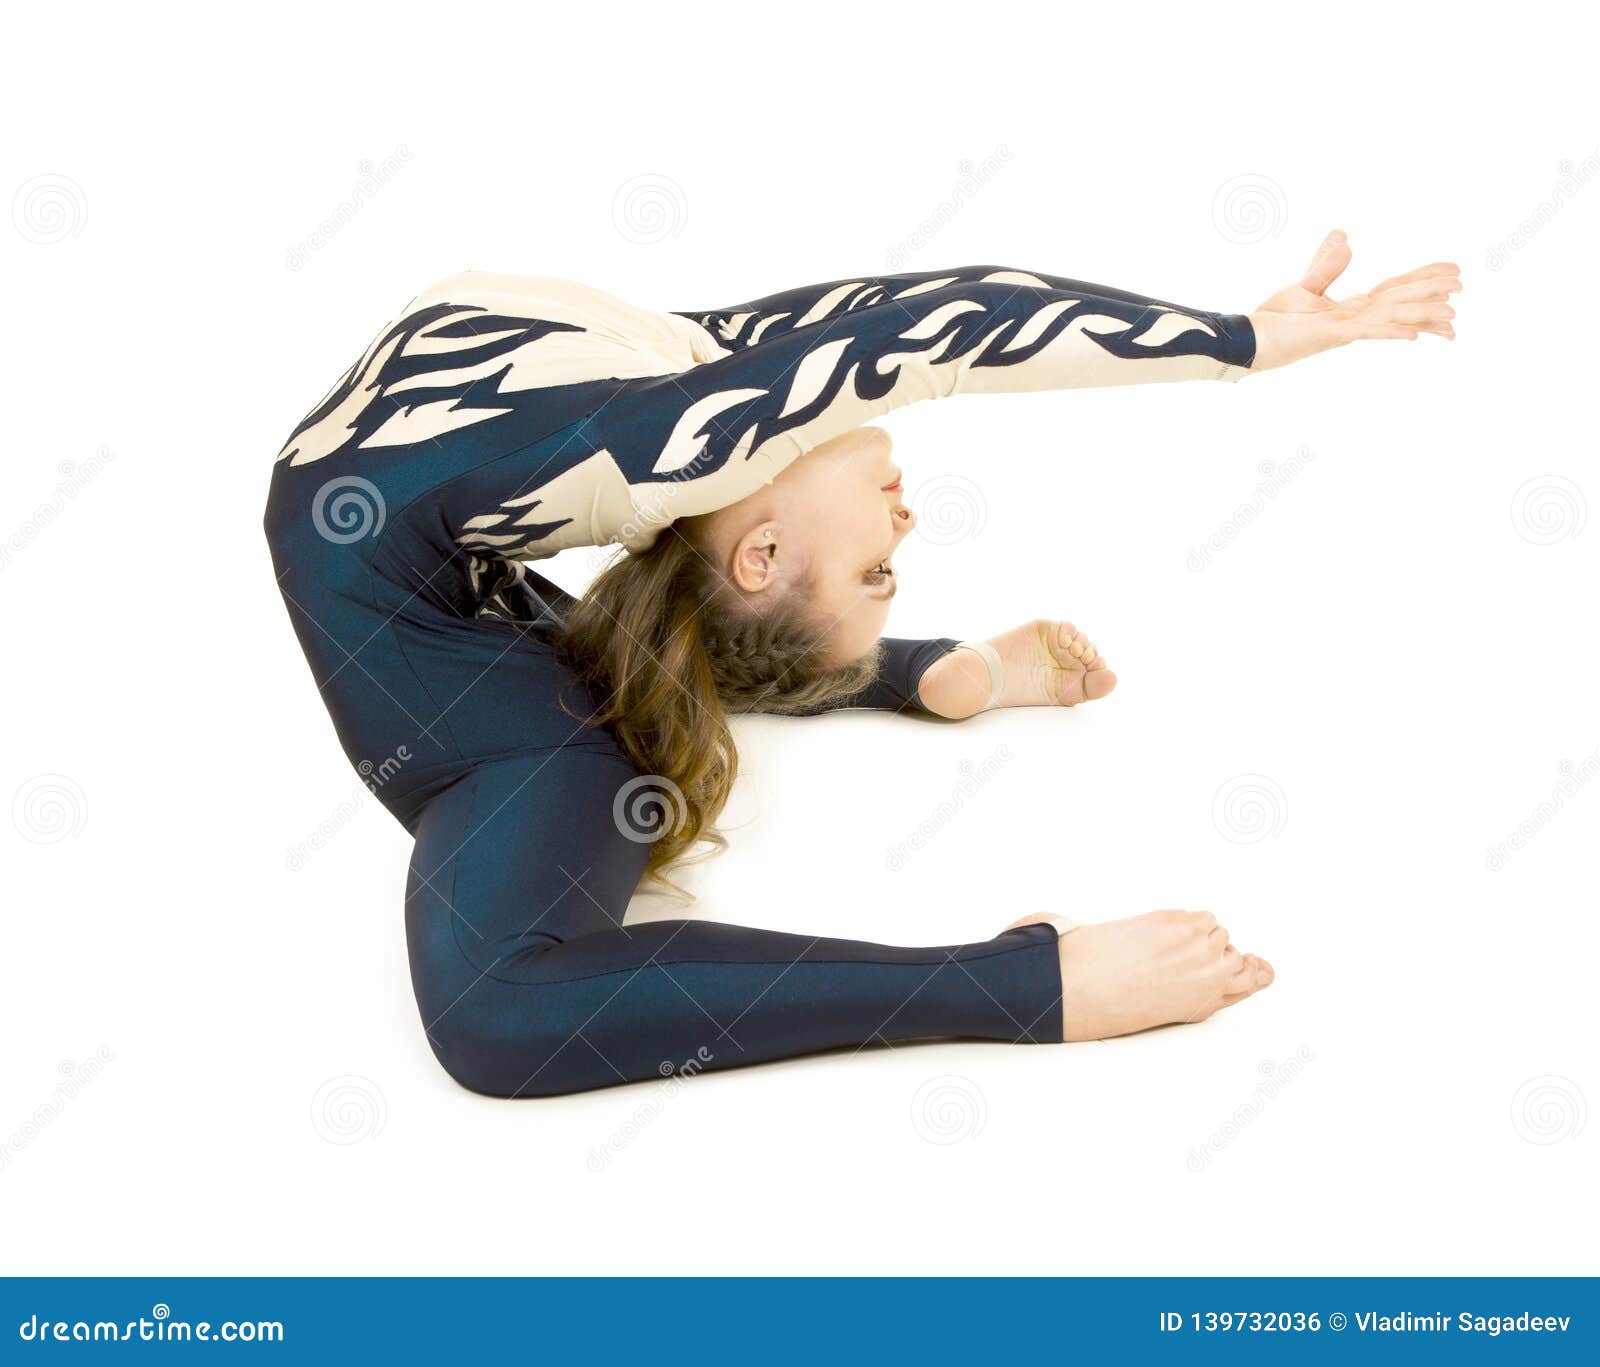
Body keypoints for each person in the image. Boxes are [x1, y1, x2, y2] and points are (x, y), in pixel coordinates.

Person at [265, 231, 1459, 1095]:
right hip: (476, 656)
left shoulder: (674, 440)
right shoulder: (687, 397)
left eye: (872, 573)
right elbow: (911, 314)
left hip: (470, 665)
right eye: (887, 575)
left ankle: (961, 826)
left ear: (765, 547)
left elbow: (931, 334)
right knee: (522, 927)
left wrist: (1243, 343)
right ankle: (969, 840)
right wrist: (1225, 331)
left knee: (503, 992)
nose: (906, 524)